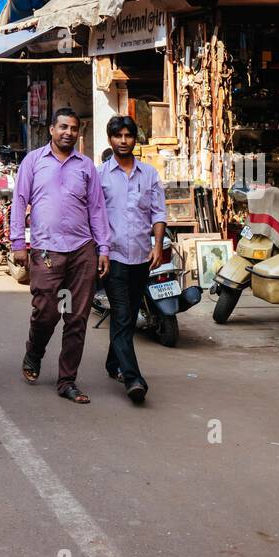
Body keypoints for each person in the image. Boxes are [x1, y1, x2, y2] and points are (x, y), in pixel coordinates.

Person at [11, 107, 110, 404]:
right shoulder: (33, 161)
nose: (68, 132)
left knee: (76, 318)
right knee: (46, 311)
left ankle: (67, 380)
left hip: (82, 249)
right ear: (52, 130)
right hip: (46, 249)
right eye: (63, 127)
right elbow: (19, 200)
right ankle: (35, 351)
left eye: (74, 128)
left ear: (79, 133)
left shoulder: (86, 166)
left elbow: (97, 209)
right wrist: (18, 241)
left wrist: (103, 248)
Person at [98, 116, 166, 405]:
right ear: (110, 139)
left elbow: (158, 212)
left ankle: (113, 363)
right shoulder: (100, 175)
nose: (123, 140)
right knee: (124, 315)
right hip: (112, 256)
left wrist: (158, 245)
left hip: (141, 255)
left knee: (128, 312)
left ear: (135, 139)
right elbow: (94, 215)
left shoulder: (149, 174)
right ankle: (133, 378)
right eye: (118, 136)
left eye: (128, 135)